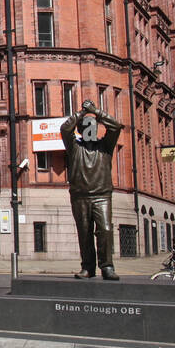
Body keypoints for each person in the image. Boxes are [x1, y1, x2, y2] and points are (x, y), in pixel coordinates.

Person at [60, 101, 124, 280]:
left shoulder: (105, 146)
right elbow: (65, 129)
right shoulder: (74, 147)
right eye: (85, 127)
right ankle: (87, 267)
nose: (89, 130)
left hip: (102, 195)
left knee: (104, 229)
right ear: (80, 130)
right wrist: (81, 113)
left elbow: (116, 126)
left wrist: (95, 112)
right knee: (84, 232)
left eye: (92, 127)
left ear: (97, 129)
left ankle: (107, 266)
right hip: (80, 195)